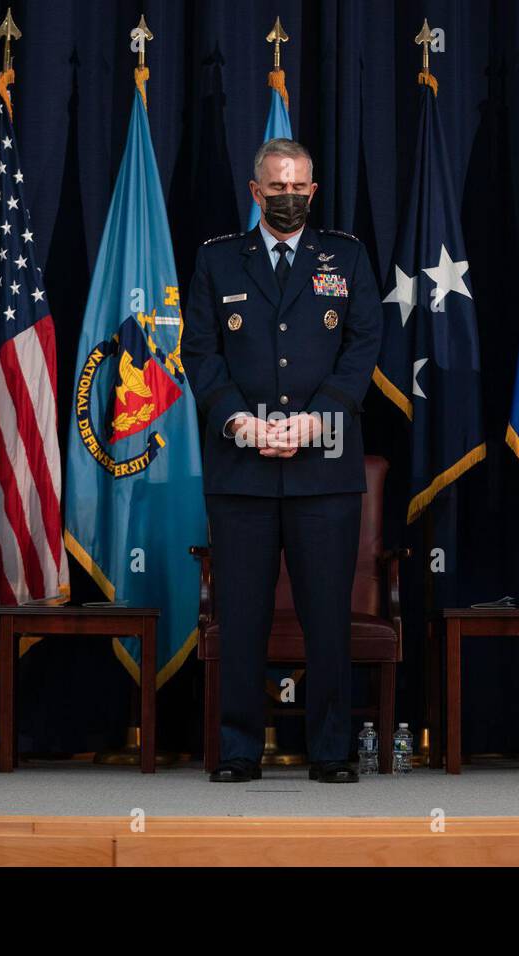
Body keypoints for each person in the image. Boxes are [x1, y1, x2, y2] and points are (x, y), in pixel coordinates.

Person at [182, 138, 382, 783]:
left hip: (324, 468)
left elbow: (362, 347)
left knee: (327, 616)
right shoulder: (218, 261)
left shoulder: (345, 257)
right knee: (242, 617)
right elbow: (202, 352)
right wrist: (239, 420)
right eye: (277, 187)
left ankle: (330, 750)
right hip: (240, 469)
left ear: (313, 191)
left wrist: (313, 419)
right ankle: (240, 750)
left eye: (300, 188)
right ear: (255, 190)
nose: (289, 197)